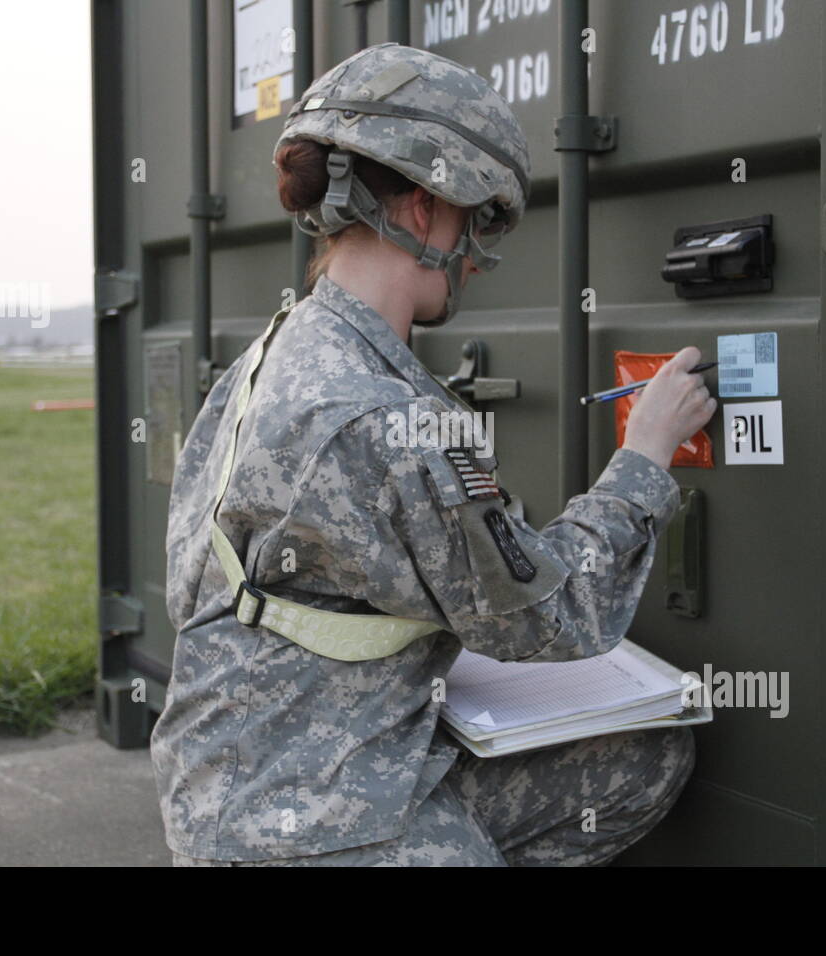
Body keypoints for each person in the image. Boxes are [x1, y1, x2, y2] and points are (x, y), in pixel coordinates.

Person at [150, 42, 717, 867]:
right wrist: (646, 454)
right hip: (306, 822)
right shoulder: (386, 418)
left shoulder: (275, 351)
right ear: (423, 210)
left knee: (634, 763)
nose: (476, 254)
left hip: (227, 778)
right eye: (475, 219)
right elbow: (557, 614)